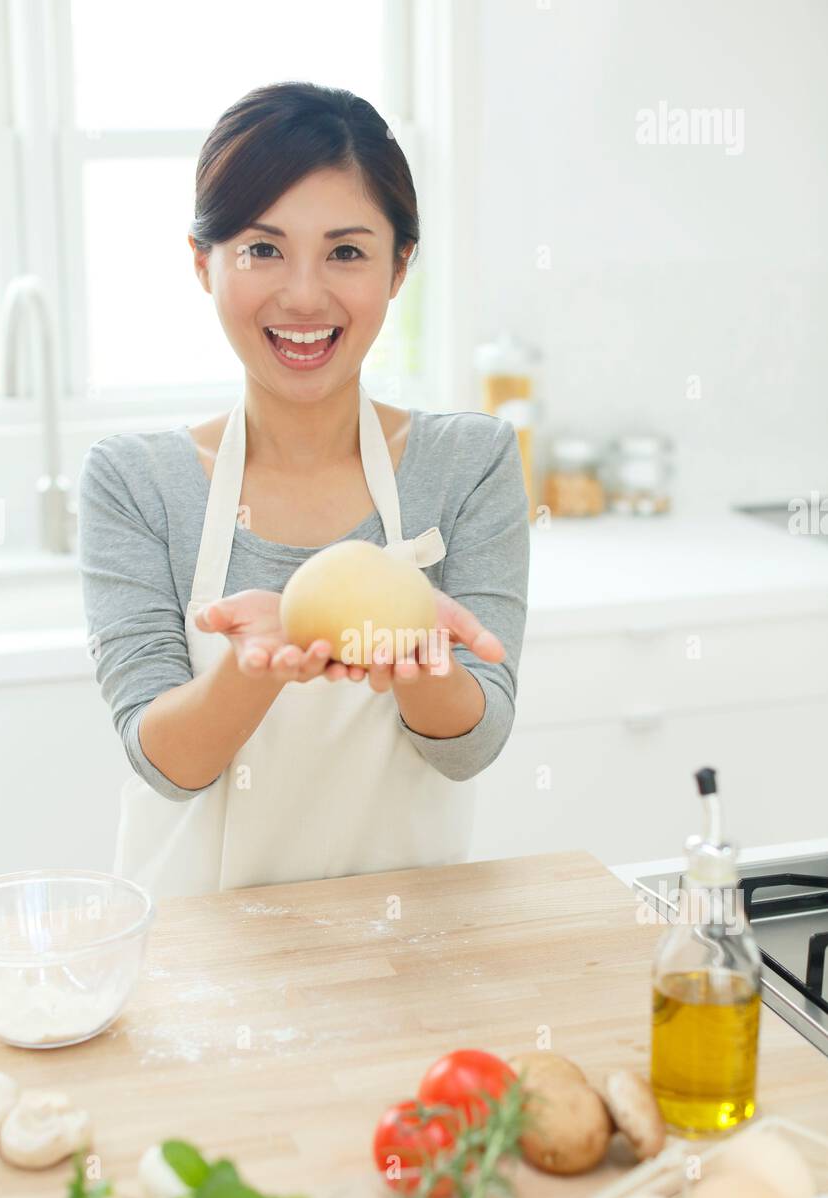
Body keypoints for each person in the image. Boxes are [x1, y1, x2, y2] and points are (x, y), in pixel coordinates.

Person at [78, 81, 530, 902]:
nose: (303, 295)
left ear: (400, 268)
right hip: (206, 968)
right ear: (202, 262)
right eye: (263, 249)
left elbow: (472, 745)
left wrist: (418, 658)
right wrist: (260, 661)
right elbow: (166, 766)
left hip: (409, 951)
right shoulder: (135, 482)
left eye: (347, 252)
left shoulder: (471, 461)